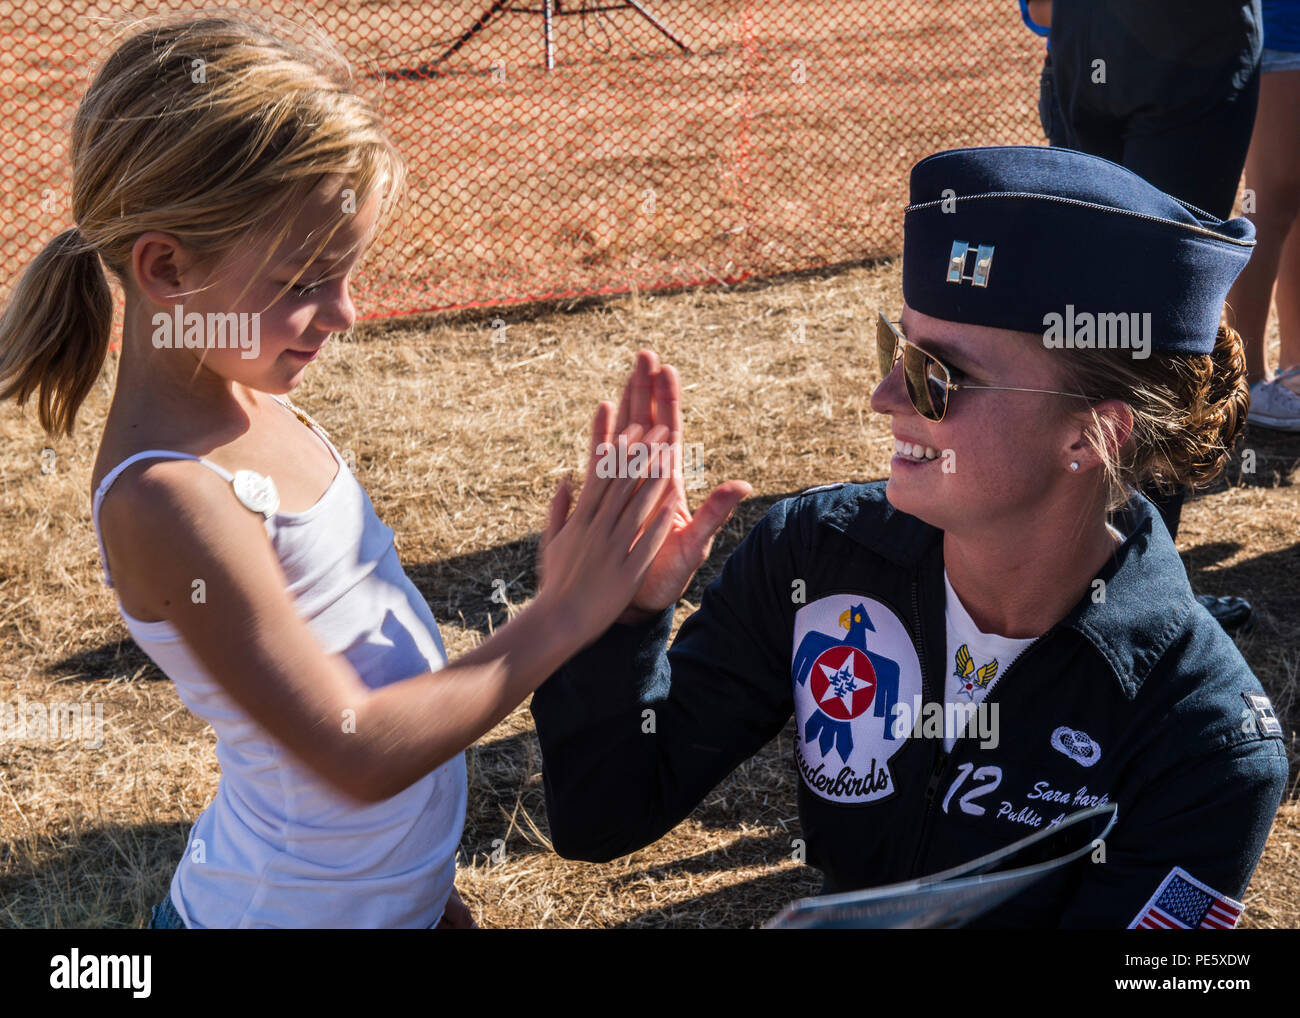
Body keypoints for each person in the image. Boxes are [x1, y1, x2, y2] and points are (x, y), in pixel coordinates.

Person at [0, 12, 681, 929]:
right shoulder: (170, 498)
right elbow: (353, 751)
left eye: (346, 271)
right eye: (304, 279)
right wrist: (560, 615)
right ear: (167, 269)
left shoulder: (253, 404)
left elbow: (363, 672)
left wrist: (422, 893)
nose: (346, 311)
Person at [530, 146, 1289, 927]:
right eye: (897, 349)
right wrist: (615, 628)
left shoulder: (1207, 740)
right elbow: (602, 817)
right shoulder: (817, 553)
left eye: (938, 375)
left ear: (1091, 436)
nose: (882, 396)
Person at [1030, 0, 1263, 633]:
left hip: (1089, 42)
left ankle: (1088, 574)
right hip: (1180, 47)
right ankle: (1134, 585)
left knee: (1103, 308)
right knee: (1161, 318)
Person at [1227, 0, 1300, 430]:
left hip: (1283, 37)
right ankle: (1247, 379)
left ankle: (1292, 367)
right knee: (1270, 203)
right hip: (1277, 37)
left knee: (1289, 200)